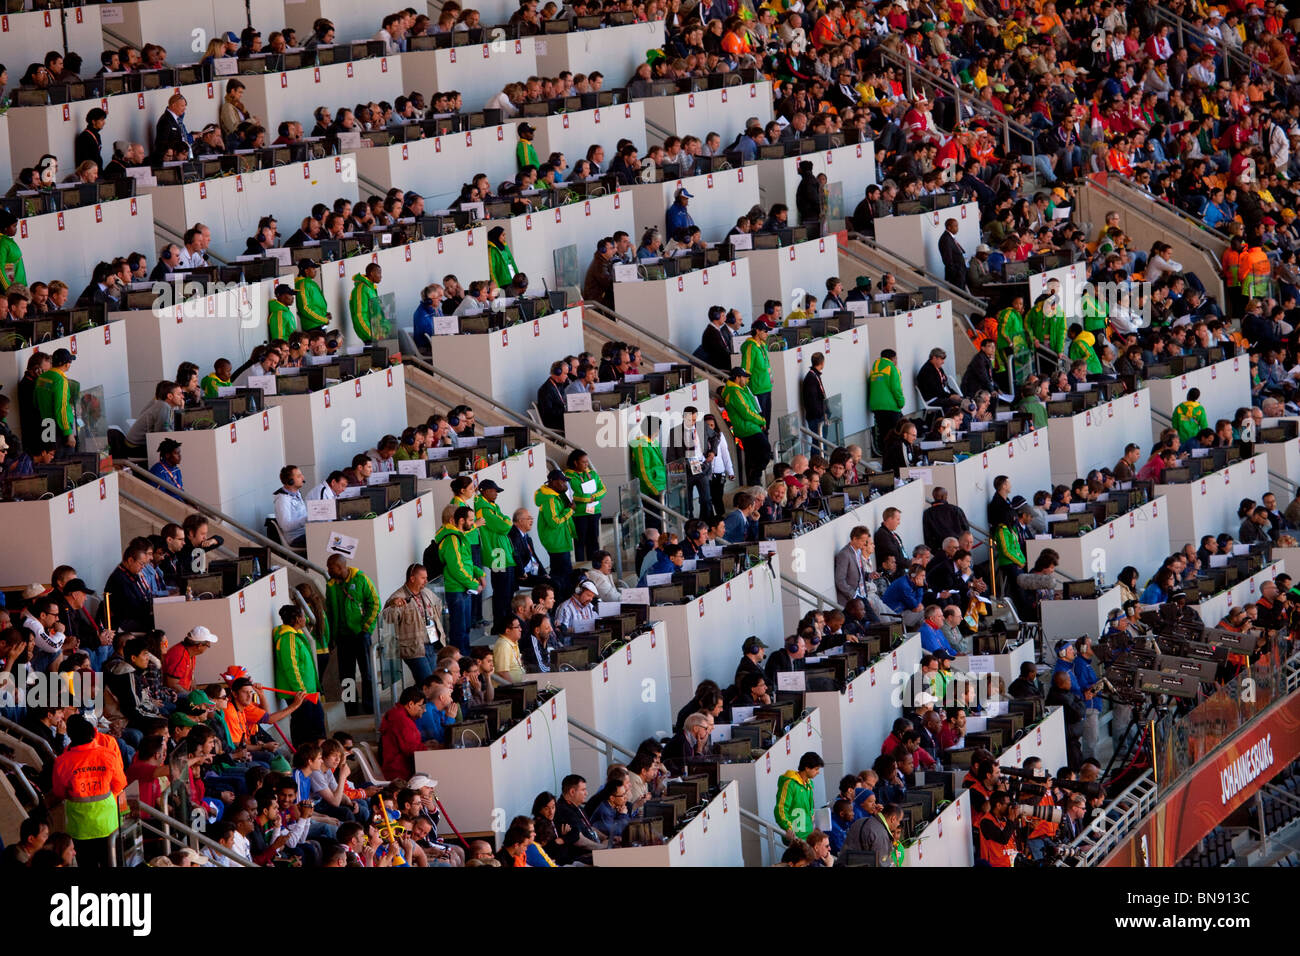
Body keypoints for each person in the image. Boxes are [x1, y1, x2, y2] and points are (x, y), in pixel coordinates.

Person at [51, 715, 127, 867]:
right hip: (108, 824)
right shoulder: (108, 755)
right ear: (93, 733)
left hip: (80, 826)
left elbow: (59, 792)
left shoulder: (62, 762)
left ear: (70, 736)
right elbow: (120, 784)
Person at [324, 554, 378, 717]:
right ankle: (351, 708)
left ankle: (370, 706)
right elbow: (330, 612)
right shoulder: (331, 585)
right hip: (342, 637)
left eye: (330, 567)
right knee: (346, 676)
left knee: (367, 673)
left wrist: (366, 627)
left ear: (340, 567)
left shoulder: (361, 579)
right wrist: (331, 637)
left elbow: (375, 603)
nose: (328, 570)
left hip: (360, 635)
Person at [272, 604, 325, 746]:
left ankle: (319, 758)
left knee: (318, 725)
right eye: (302, 615)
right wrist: (301, 691)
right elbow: (291, 667)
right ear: (296, 619)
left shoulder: (296, 635)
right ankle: (304, 757)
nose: (305, 618)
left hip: (308, 692)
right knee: (304, 730)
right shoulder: (287, 639)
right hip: (300, 693)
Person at [435, 505, 485, 654]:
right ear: (460, 520)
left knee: (466, 628)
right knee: (459, 630)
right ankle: (461, 664)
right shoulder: (452, 538)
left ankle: (467, 662)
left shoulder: (460, 536)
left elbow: (466, 561)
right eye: (470, 520)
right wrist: (473, 583)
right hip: (456, 590)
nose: (473, 523)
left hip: (464, 588)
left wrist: (479, 573)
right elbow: (456, 567)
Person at [383, 564, 445, 683]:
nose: (426, 581)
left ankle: (416, 700)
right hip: (414, 649)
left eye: (426, 578)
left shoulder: (426, 592)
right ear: (412, 578)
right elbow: (387, 618)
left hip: (432, 643)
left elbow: (439, 604)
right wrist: (394, 605)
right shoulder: (398, 597)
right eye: (423, 578)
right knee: (429, 683)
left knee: (434, 682)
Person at [721, 367, 770, 486]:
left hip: (749, 427)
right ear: (737, 378)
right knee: (765, 450)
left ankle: (754, 482)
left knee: (752, 457)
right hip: (748, 428)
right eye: (744, 377)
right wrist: (761, 420)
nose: (746, 379)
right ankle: (755, 477)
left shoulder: (739, 389)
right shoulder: (735, 392)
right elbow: (746, 412)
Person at [534, 470, 575, 599]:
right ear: (553, 482)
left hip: (560, 540)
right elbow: (554, 522)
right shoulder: (549, 499)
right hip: (556, 542)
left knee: (561, 574)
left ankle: (557, 600)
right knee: (562, 576)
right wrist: (570, 510)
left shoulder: (556, 495)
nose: (565, 485)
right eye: (562, 482)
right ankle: (560, 602)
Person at [774, 752, 823, 842]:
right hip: (795, 837)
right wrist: (787, 828)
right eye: (816, 769)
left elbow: (810, 809)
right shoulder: (790, 784)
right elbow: (781, 808)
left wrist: (813, 828)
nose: (818, 772)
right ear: (807, 768)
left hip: (808, 835)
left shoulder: (809, 783)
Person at [741, 318, 774, 427]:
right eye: (765, 331)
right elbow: (746, 369)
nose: (767, 334)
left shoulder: (763, 346)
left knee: (767, 422)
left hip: (767, 388)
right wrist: (745, 389)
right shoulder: (751, 347)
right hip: (757, 390)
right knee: (761, 422)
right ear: (757, 331)